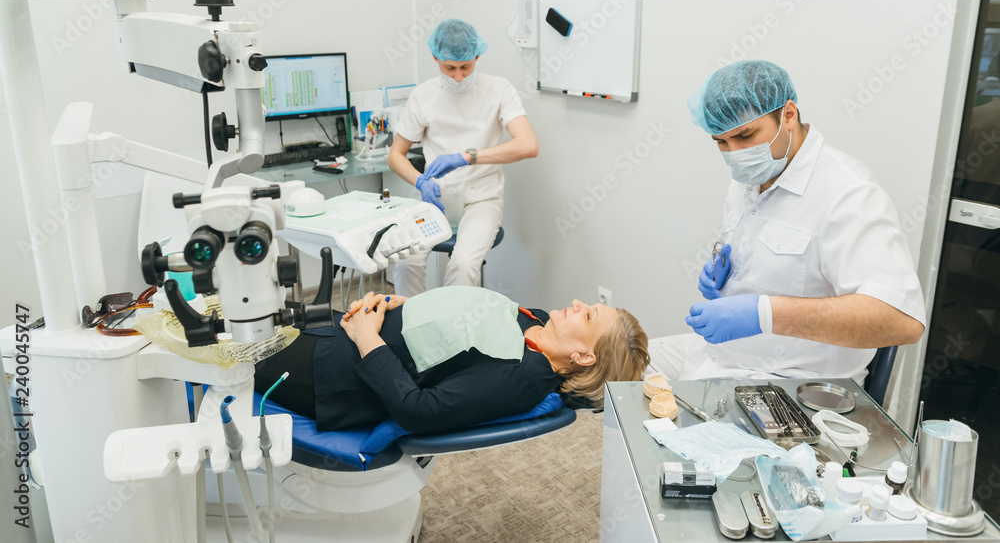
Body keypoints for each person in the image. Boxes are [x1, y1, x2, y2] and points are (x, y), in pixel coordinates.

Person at [649, 60, 926, 382]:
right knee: (610, 371)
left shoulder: (848, 193)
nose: (735, 154)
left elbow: (901, 320)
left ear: (788, 115)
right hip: (719, 355)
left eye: (745, 135)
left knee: (653, 425)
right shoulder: (750, 176)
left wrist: (763, 314)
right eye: (721, 143)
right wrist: (725, 271)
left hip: (790, 379)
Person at [255, 290, 649, 434]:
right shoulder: (538, 320)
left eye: (589, 317)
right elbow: (467, 322)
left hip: (336, 373)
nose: (579, 304)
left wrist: (368, 337)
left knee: (228, 353)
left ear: (583, 356)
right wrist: (406, 305)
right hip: (354, 328)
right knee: (249, 311)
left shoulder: (523, 377)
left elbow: (419, 412)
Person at [388, 19, 539, 296]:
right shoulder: (423, 96)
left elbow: (528, 145)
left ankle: (451, 337)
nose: (458, 76)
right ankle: (406, 329)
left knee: (463, 265)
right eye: (450, 68)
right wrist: (420, 181)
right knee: (405, 262)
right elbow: (395, 155)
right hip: (435, 198)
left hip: (481, 199)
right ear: (435, 57)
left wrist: (468, 157)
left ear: (477, 56)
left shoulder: (499, 90)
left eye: (465, 67)